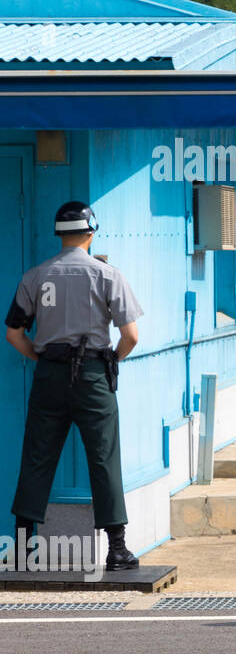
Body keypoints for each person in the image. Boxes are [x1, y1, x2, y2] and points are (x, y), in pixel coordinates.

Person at [4, 201, 143, 570]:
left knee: (37, 455)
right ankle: (116, 548)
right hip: (93, 373)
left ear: (59, 234)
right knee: (103, 457)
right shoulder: (107, 275)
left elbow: (13, 333)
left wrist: (40, 357)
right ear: (91, 231)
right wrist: (111, 359)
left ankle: (21, 545)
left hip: (50, 372)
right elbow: (130, 335)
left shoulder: (36, 276)